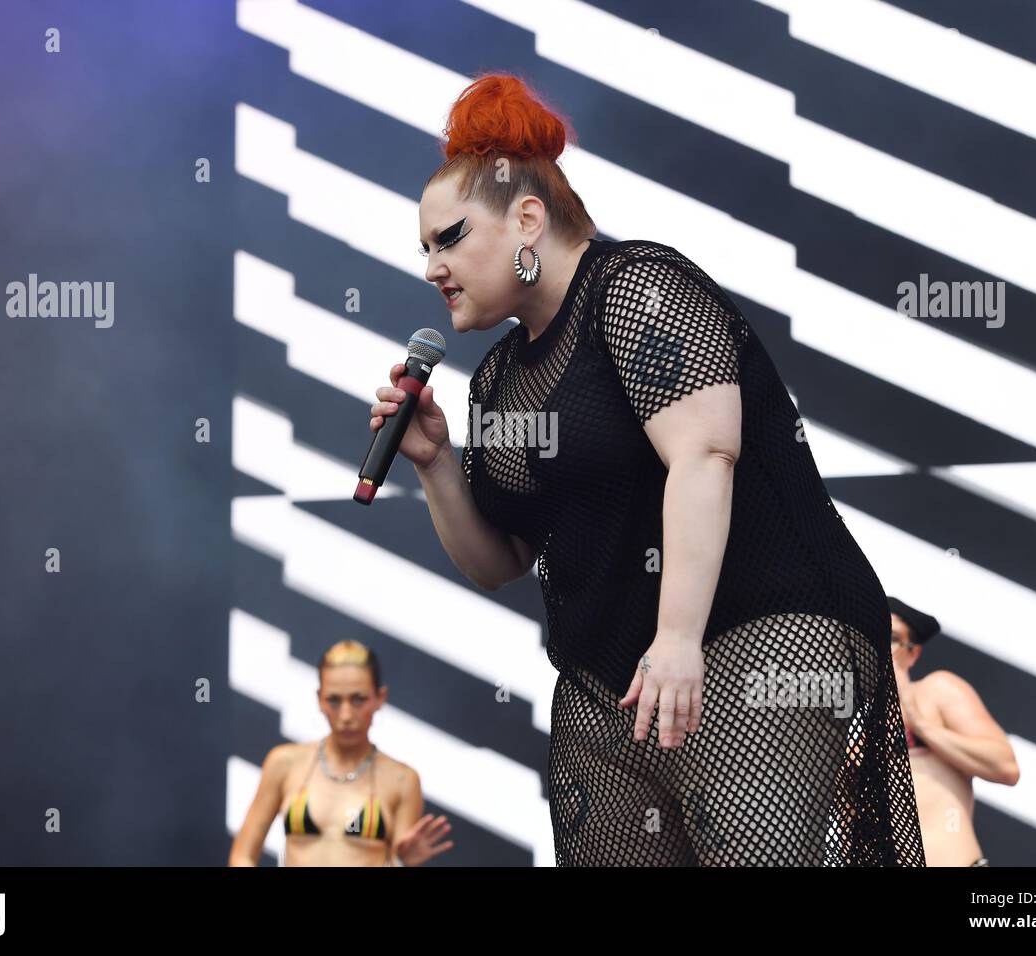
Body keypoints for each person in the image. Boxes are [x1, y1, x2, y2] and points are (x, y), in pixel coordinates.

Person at [371, 71, 924, 865]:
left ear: (527, 219)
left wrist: (676, 638)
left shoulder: (637, 289)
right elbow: (503, 562)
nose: (432, 267)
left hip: (757, 635)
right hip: (609, 678)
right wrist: (435, 468)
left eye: (449, 238)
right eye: (423, 249)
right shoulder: (494, 380)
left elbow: (705, 455)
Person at [228, 640, 453, 866]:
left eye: (358, 699)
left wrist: (403, 863)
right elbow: (242, 855)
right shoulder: (284, 764)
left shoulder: (401, 780)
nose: (346, 715)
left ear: (379, 698)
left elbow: (399, 861)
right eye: (334, 700)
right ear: (319, 699)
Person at [887, 597, 1019, 866]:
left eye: (891, 637)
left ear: (913, 653)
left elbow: (1005, 766)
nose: (878, 645)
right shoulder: (842, 718)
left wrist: (922, 726)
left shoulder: (935, 691)